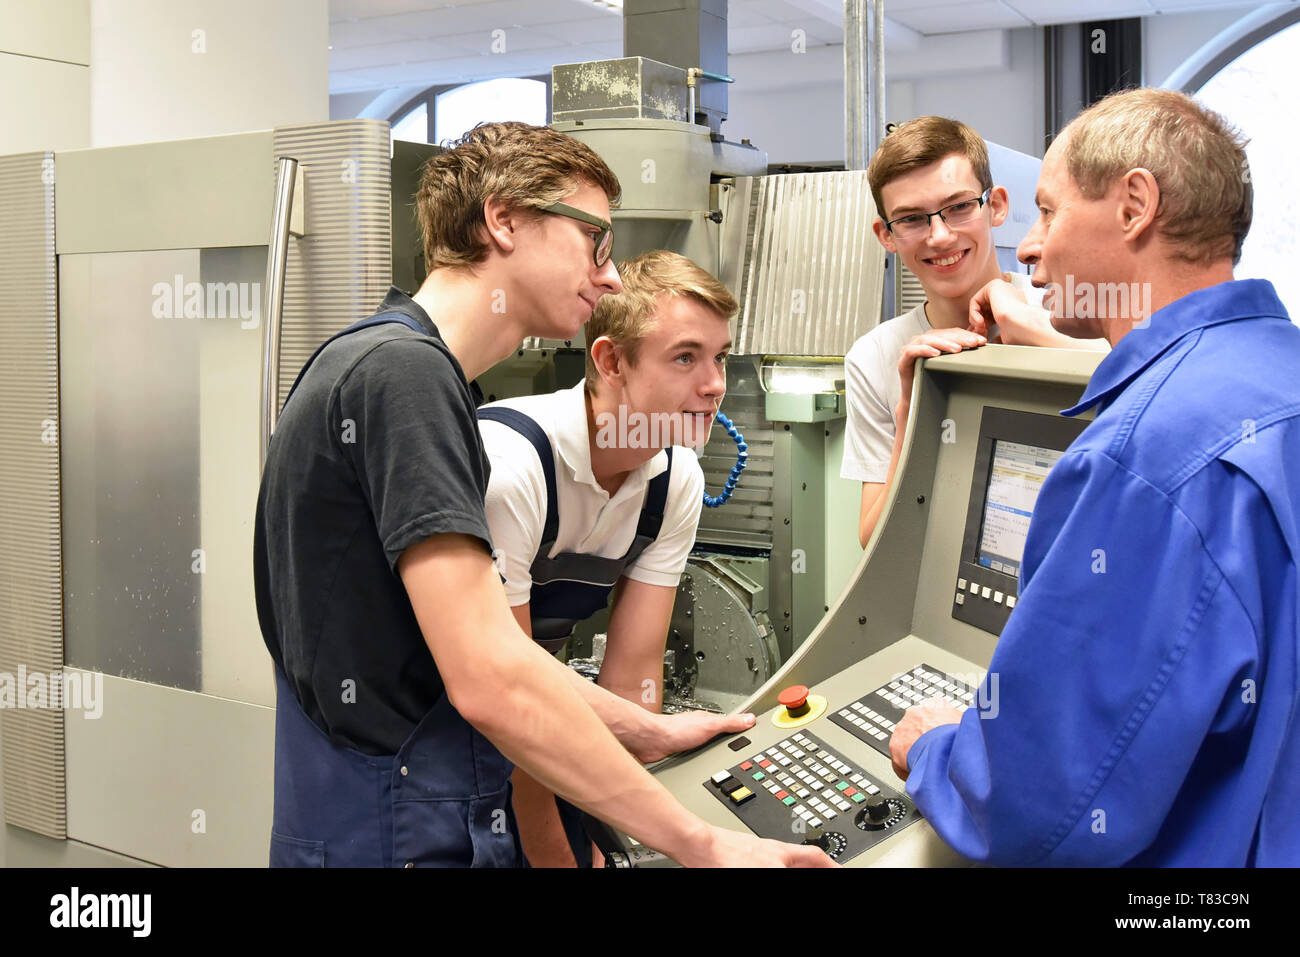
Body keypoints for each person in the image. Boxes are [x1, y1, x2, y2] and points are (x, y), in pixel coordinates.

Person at [253, 121, 832, 868]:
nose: (612, 274)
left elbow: (484, 658)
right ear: (503, 219)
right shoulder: (406, 377)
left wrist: (646, 729)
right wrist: (702, 844)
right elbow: (492, 681)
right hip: (396, 830)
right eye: (595, 239)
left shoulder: (376, 361)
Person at [889, 88, 1299, 866]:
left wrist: (938, 748)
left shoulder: (1143, 457)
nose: (1031, 248)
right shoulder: (1281, 372)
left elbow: (1039, 809)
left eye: (1047, 212)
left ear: (1135, 205)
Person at [477, 249, 735, 867]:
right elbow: (511, 693)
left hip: (547, 719)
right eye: (685, 358)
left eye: (720, 357)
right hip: (443, 735)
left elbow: (632, 679)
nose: (715, 385)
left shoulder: (674, 478)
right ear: (612, 360)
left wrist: (615, 840)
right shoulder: (512, 465)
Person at [842, 116, 1106, 548]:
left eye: (960, 207)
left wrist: (1033, 331)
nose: (940, 236)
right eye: (911, 219)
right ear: (885, 236)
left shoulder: (1070, 312)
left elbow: (1148, 382)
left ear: (997, 205)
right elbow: (874, 540)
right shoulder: (875, 357)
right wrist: (912, 409)